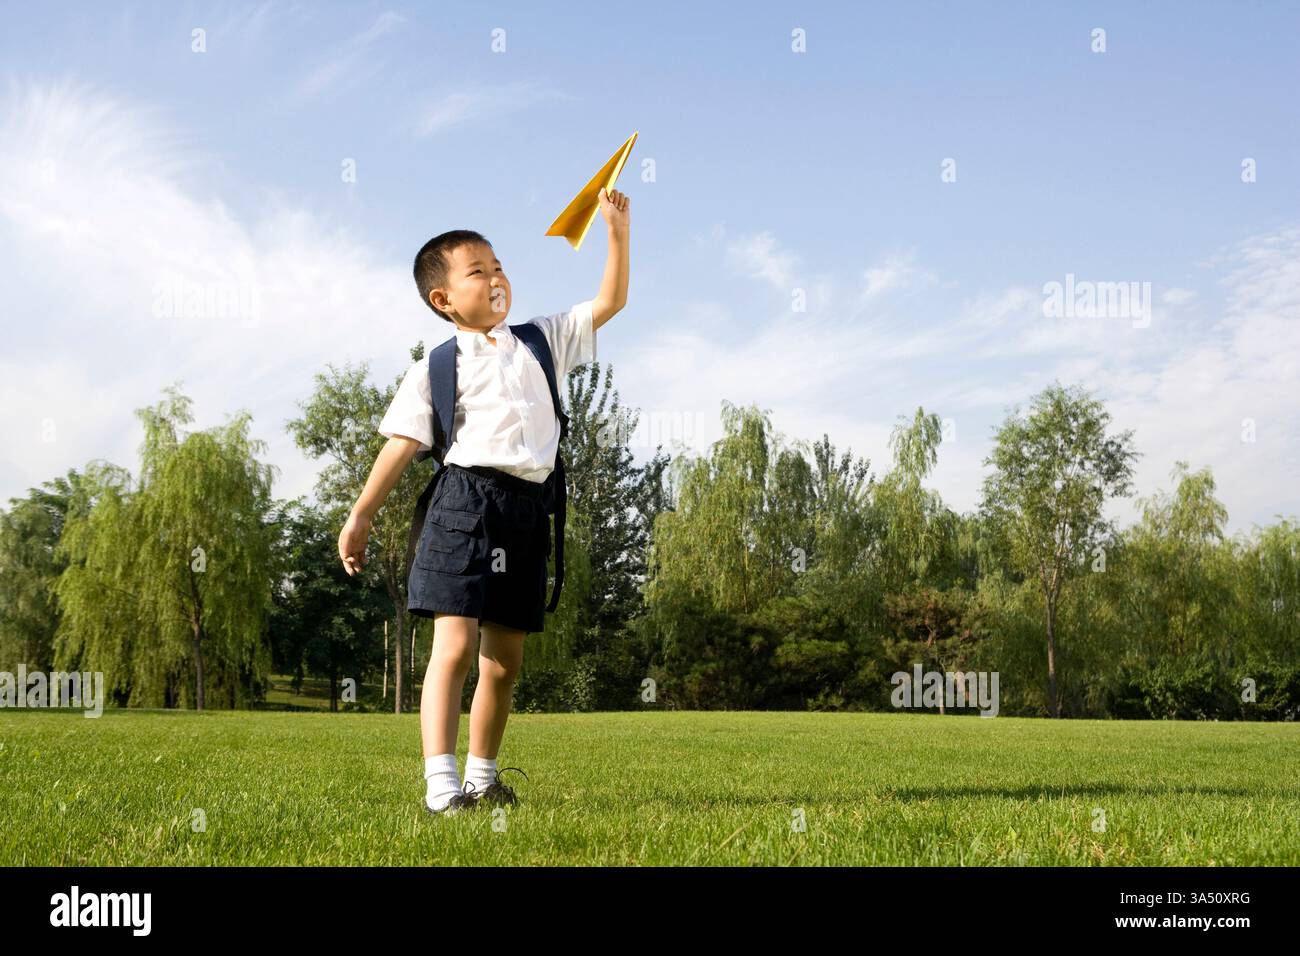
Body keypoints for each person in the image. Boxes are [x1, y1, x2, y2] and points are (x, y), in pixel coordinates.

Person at [338, 187, 630, 815]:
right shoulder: (436, 366)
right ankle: (442, 788)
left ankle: (483, 778)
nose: (496, 277)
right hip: (463, 504)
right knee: (455, 647)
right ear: (442, 299)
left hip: (528, 508)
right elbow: (400, 445)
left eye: (499, 266)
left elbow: (610, 301)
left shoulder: (542, 340)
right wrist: (361, 515)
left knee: (505, 660)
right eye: (479, 271)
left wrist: (615, 231)